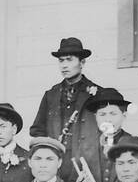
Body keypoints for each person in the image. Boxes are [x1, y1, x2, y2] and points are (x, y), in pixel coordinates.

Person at [29, 36, 103, 167]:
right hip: (57, 164)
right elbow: (37, 130)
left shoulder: (98, 94)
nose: (64, 65)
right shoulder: (51, 95)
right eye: (61, 60)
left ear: (82, 62)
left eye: (69, 60)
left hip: (87, 164)